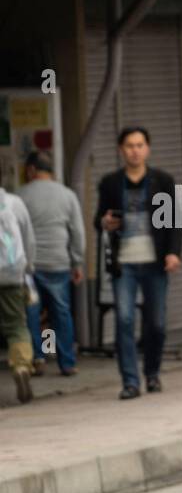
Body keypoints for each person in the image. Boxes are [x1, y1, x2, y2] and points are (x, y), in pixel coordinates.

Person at [93, 126, 182, 400]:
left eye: (140, 145)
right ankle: (130, 381)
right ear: (121, 150)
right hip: (125, 263)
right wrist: (104, 222)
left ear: (148, 148)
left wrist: (173, 253)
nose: (135, 150)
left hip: (154, 262)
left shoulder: (164, 181)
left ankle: (152, 373)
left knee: (156, 323)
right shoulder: (110, 182)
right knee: (124, 319)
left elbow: (175, 221)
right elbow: (98, 219)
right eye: (130, 145)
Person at [19, 150, 85, 377]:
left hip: (31, 266)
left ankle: (38, 357)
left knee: (32, 313)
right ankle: (67, 363)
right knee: (61, 313)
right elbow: (77, 232)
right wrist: (77, 262)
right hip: (59, 264)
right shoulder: (67, 195)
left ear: (31, 170)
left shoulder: (21, 196)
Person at [0, 187, 36, 403]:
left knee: (48, 325)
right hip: (12, 274)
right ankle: (23, 365)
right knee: (17, 326)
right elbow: (28, 239)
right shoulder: (14, 203)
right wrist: (29, 267)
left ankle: (45, 352)